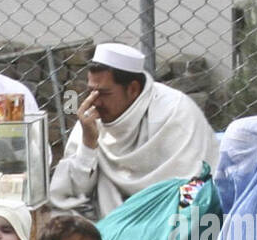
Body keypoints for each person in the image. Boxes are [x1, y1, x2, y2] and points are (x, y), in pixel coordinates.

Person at [49, 43, 219, 220]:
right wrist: (88, 143)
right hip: (109, 225)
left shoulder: (175, 112)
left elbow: (192, 187)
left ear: (133, 89)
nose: (95, 102)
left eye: (103, 93)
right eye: (90, 92)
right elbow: (72, 193)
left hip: (167, 222)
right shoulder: (91, 120)